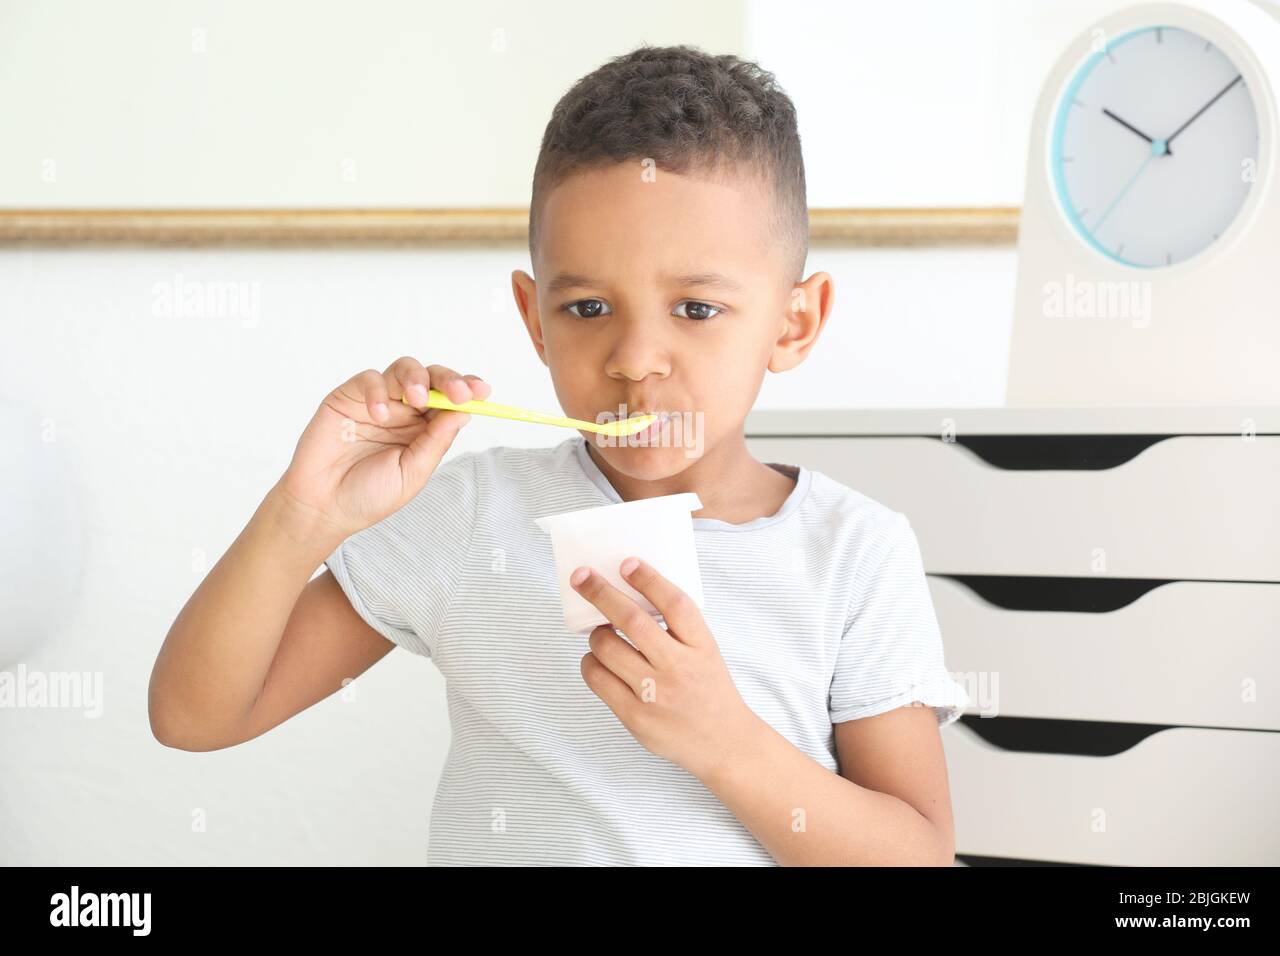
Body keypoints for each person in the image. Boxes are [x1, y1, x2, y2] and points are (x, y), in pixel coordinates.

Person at [150, 44, 970, 866]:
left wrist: (725, 742)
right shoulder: (473, 515)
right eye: (586, 307)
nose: (634, 357)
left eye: (695, 307)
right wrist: (306, 515)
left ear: (794, 324)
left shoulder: (854, 553)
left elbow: (918, 858)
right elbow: (195, 717)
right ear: (534, 319)